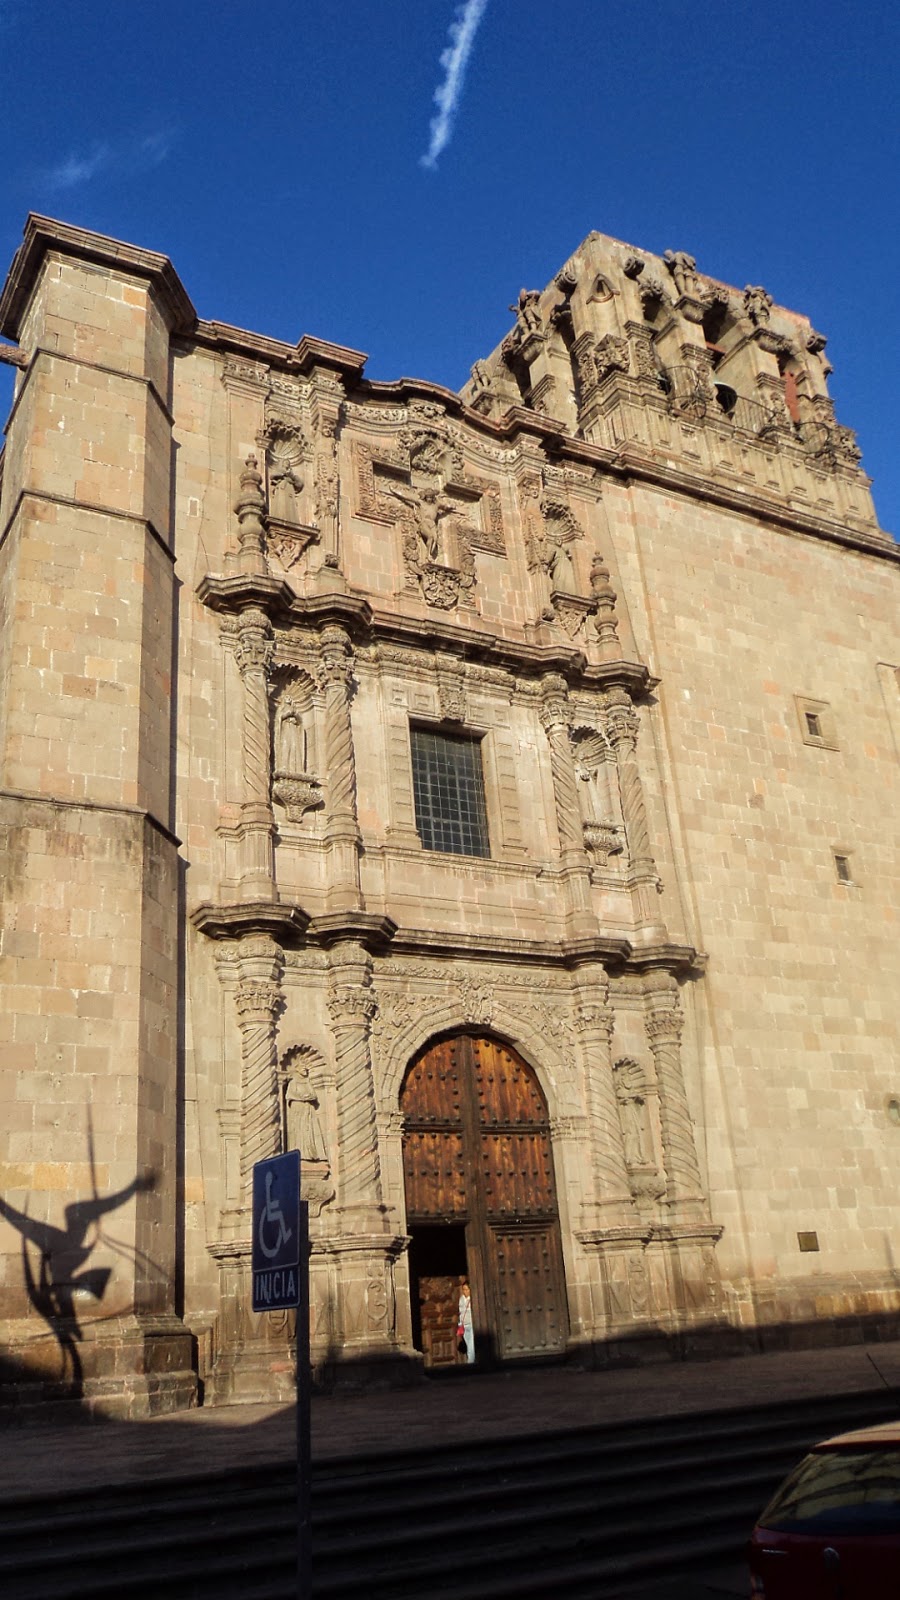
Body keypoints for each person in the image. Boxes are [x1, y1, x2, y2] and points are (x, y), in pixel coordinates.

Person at [457, 1276, 474, 1365]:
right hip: (464, 1326)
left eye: (467, 1289)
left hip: (471, 1324)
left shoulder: (473, 1299)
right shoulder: (461, 1299)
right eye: (464, 1289)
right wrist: (460, 1324)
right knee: (468, 1346)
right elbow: (460, 1312)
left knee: (471, 1347)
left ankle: (471, 1364)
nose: (465, 1291)